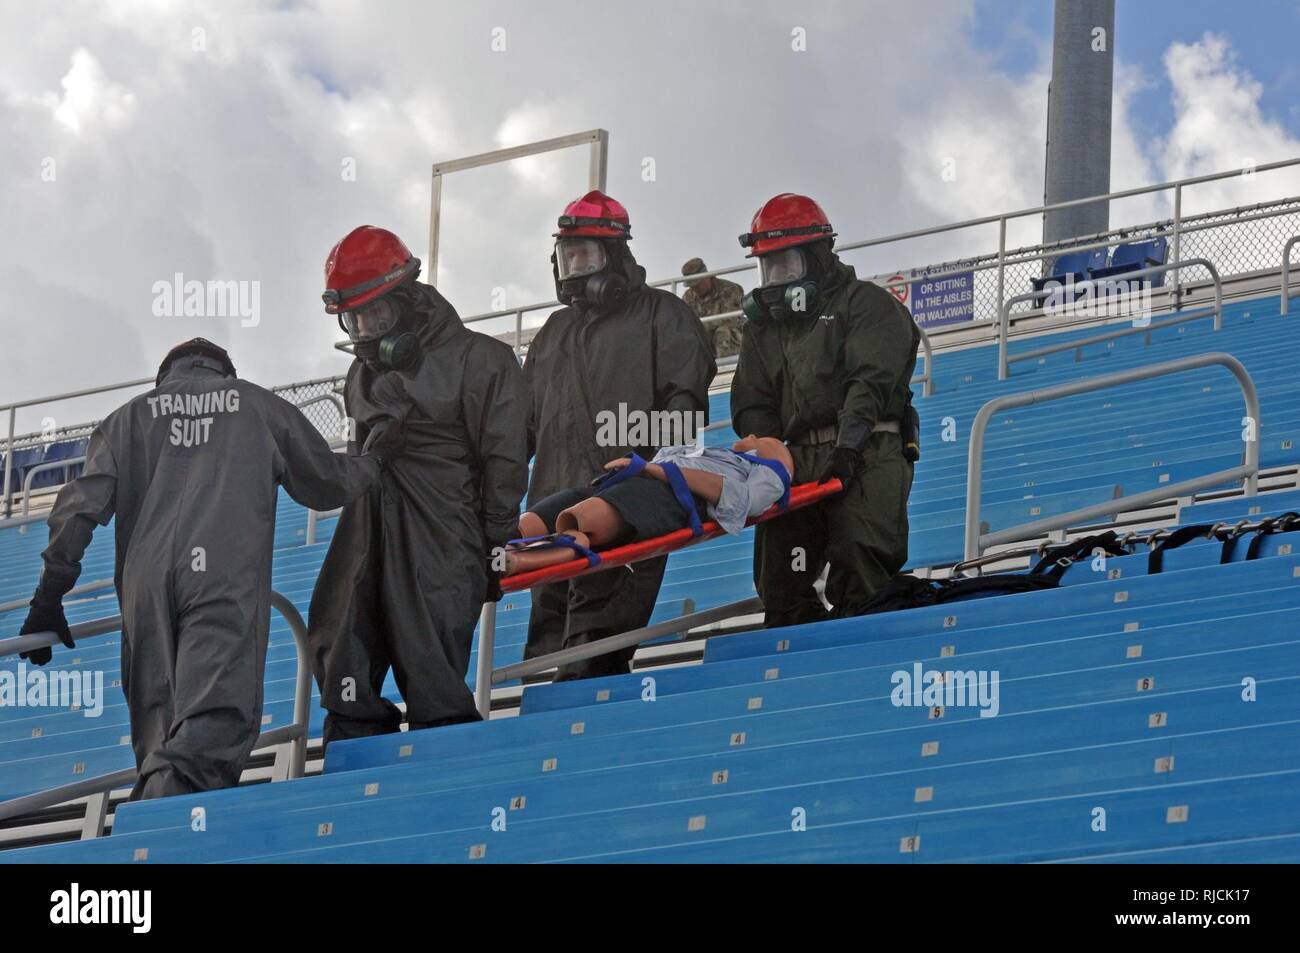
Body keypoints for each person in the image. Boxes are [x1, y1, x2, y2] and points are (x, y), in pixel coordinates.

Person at [15, 338, 396, 800]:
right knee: (215, 715)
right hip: (221, 574)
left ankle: (151, 824)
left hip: (146, 587)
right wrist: (375, 461)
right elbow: (327, 484)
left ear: (165, 376)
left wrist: (48, 597)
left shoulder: (127, 419)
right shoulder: (257, 405)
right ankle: (166, 827)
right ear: (225, 373)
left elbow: (78, 510)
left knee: (159, 725)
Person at [309, 225, 528, 746]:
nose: (363, 329)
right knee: (342, 641)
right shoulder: (361, 373)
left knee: (433, 671)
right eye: (353, 318)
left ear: (408, 300)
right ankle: (353, 761)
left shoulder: (484, 361)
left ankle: (448, 769)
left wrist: (494, 542)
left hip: (442, 534)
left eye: (374, 314)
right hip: (368, 530)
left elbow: (505, 461)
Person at [525, 190, 715, 681]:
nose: (575, 267)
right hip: (551, 507)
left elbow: (684, 411)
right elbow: (521, 427)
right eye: (567, 256)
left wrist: (644, 475)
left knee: (593, 654)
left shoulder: (664, 315)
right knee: (541, 659)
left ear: (615, 254)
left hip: (624, 508)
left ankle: (591, 731)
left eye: (585, 254)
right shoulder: (552, 332)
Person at [730, 193, 920, 628]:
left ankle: (863, 656)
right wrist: (768, 455)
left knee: (860, 559)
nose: (775, 278)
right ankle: (797, 657)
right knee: (781, 579)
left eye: (786, 264)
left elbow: (869, 381)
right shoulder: (762, 330)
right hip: (796, 458)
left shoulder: (868, 304)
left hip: (870, 447)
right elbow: (752, 400)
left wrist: (849, 445)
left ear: (816, 257)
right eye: (768, 266)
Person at [504, 435, 792, 575]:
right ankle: (497, 545)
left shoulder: (769, 475)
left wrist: (657, 471)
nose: (752, 436)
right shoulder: (716, 453)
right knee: (538, 516)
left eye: (762, 438)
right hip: (631, 483)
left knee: (581, 520)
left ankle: (515, 561)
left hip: (667, 497)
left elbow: (741, 500)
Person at [681, 257, 746, 359]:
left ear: (706, 276)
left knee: (723, 332)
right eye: (691, 285)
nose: (694, 288)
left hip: (732, 335)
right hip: (704, 338)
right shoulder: (688, 297)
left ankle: (726, 369)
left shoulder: (730, 289)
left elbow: (730, 320)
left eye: (696, 284)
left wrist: (703, 327)